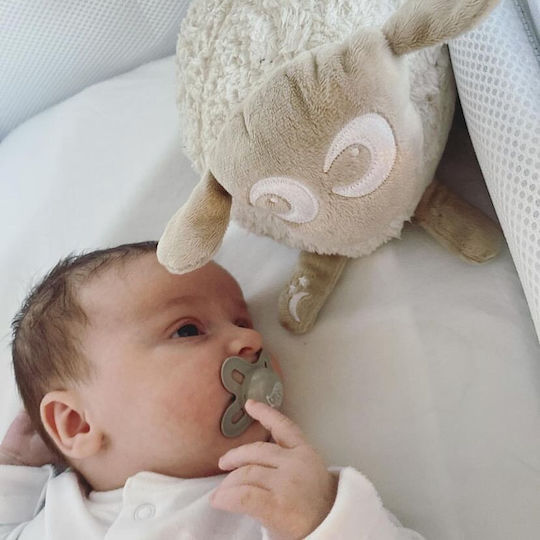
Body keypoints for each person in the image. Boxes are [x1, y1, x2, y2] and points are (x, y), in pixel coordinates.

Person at [0, 241, 424, 539]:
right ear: (75, 424)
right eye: (188, 330)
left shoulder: (274, 503)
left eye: (242, 322)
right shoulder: (53, 516)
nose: (251, 340)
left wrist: (323, 521)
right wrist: (13, 472)